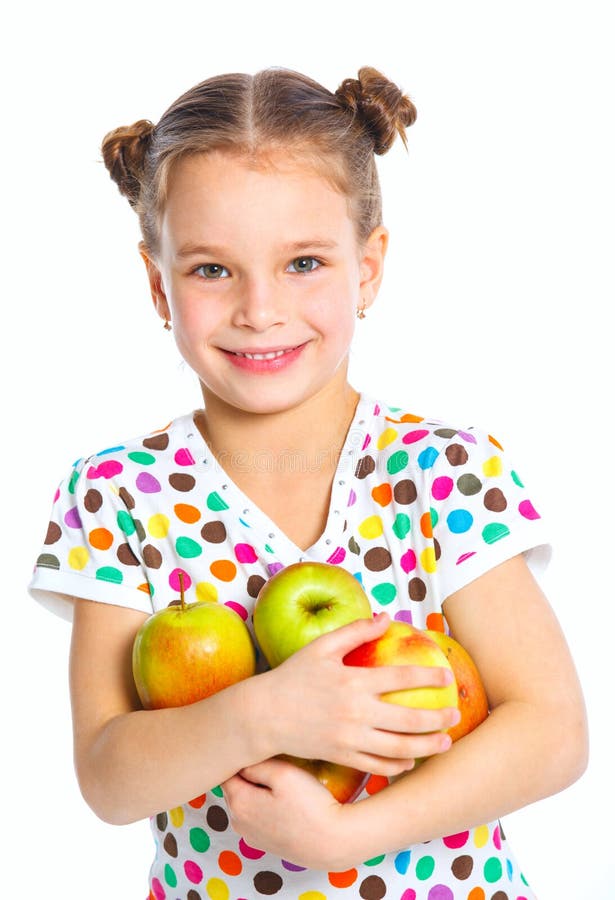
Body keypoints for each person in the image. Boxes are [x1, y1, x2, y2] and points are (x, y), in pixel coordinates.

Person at [29, 66, 588, 900]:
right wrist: (264, 712)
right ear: (157, 283)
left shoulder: (444, 471)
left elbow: (551, 731)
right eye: (212, 271)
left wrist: (348, 836)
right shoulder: (118, 490)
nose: (260, 309)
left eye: (303, 263)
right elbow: (109, 777)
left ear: (367, 269)